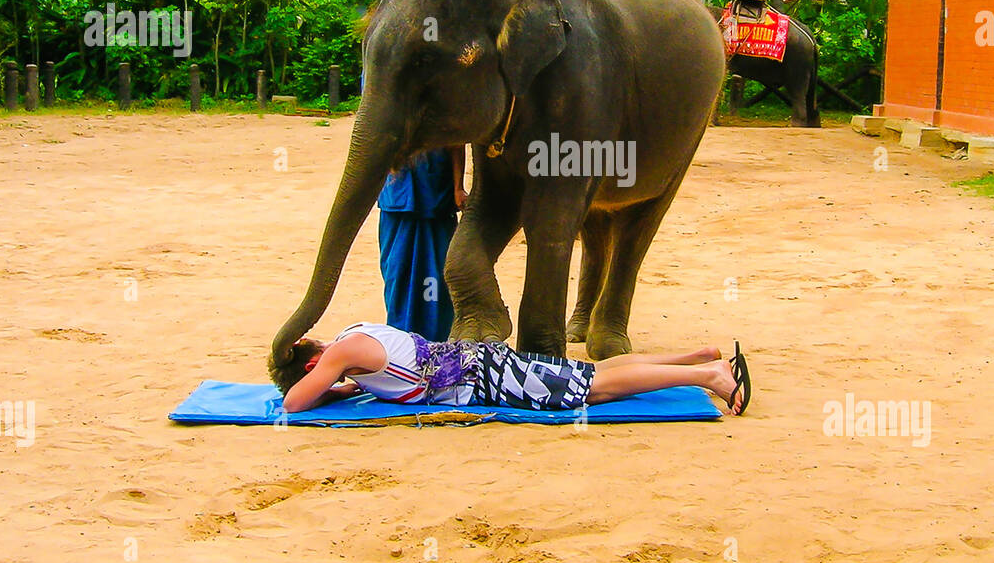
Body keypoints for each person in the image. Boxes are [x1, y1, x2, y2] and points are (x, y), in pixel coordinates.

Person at [270, 322, 752, 417]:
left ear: (313, 361)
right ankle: (697, 357)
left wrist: (324, 386)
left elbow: (294, 403)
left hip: (484, 374)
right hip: (480, 365)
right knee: (593, 381)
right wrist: (341, 385)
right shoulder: (354, 340)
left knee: (592, 387)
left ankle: (707, 378)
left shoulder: (338, 354)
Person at [377, 147, 466, 341]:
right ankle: (401, 341)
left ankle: (437, 344)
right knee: (397, 275)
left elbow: (457, 144)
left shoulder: (445, 115)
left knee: (437, 277)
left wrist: (458, 188)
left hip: (437, 195)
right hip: (397, 199)